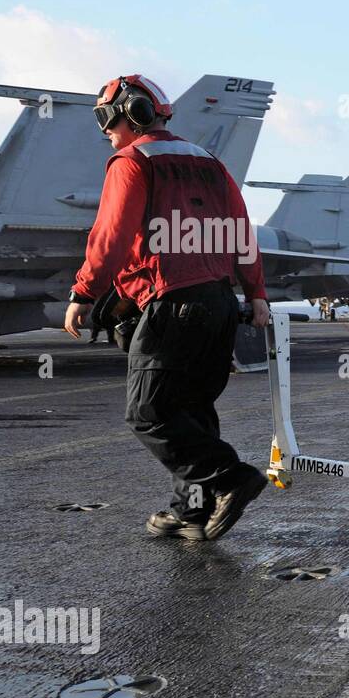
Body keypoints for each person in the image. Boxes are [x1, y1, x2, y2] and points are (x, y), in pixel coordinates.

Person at [64, 74, 271, 542]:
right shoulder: (209, 162)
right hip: (219, 304)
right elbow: (241, 228)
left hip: (173, 304)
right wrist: (255, 292)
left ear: (133, 112)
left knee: (148, 412)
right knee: (191, 411)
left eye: (105, 117)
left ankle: (232, 478)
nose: (105, 130)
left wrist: (83, 292)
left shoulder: (131, 161)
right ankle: (190, 511)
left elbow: (111, 237)